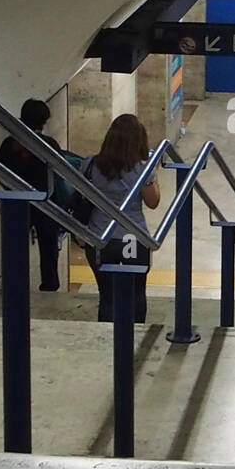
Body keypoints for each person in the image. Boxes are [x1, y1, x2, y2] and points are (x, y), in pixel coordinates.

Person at [83, 115, 160, 323]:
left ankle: (107, 338)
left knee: (107, 295)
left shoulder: (90, 164)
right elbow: (153, 202)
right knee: (136, 292)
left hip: (99, 236)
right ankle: (134, 339)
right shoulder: (144, 167)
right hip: (132, 237)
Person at [0, 98, 65, 292]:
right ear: (43, 122)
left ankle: (15, 286)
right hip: (46, 202)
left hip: (17, 202)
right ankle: (50, 286)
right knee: (49, 247)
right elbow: (61, 173)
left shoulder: (9, 144)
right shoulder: (49, 144)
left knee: (16, 246)